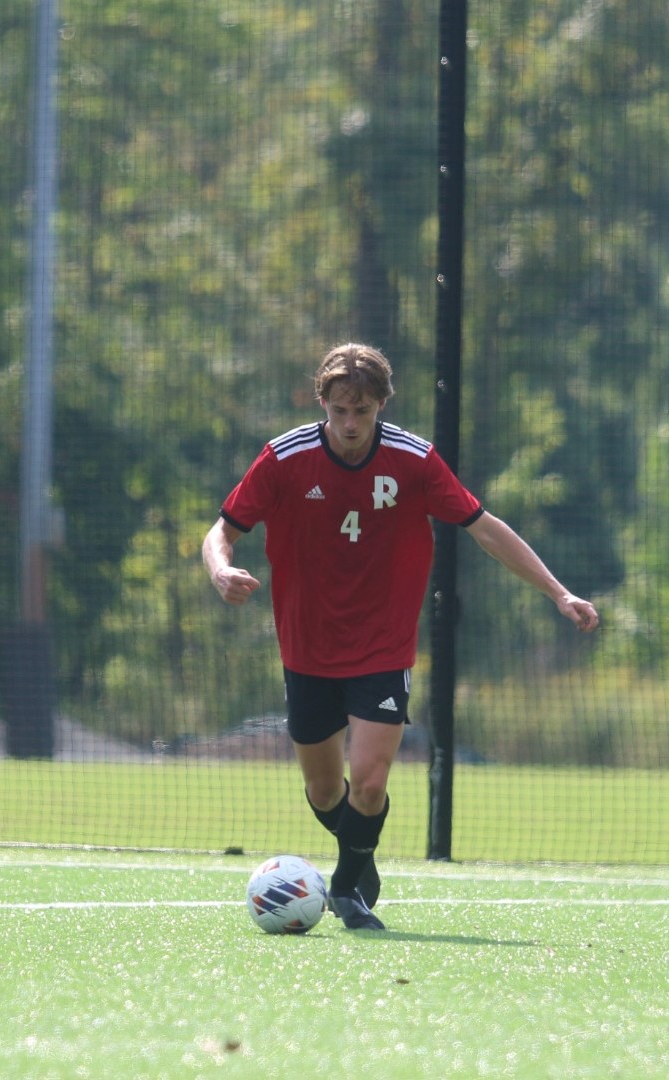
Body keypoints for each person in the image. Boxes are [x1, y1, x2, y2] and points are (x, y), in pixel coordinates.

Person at [203, 343, 597, 931]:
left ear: (382, 405)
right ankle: (358, 852)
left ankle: (345, 889)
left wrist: (558, 592)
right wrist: (220, 570)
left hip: (382, 648)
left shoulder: (414, 461)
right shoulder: (285, 458)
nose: (350, 424)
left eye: (362, 411)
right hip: (307, 646)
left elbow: (485, 529)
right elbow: (222, 531)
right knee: (322, 788)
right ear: (323, 404)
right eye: (340, 411)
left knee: (370, 780)